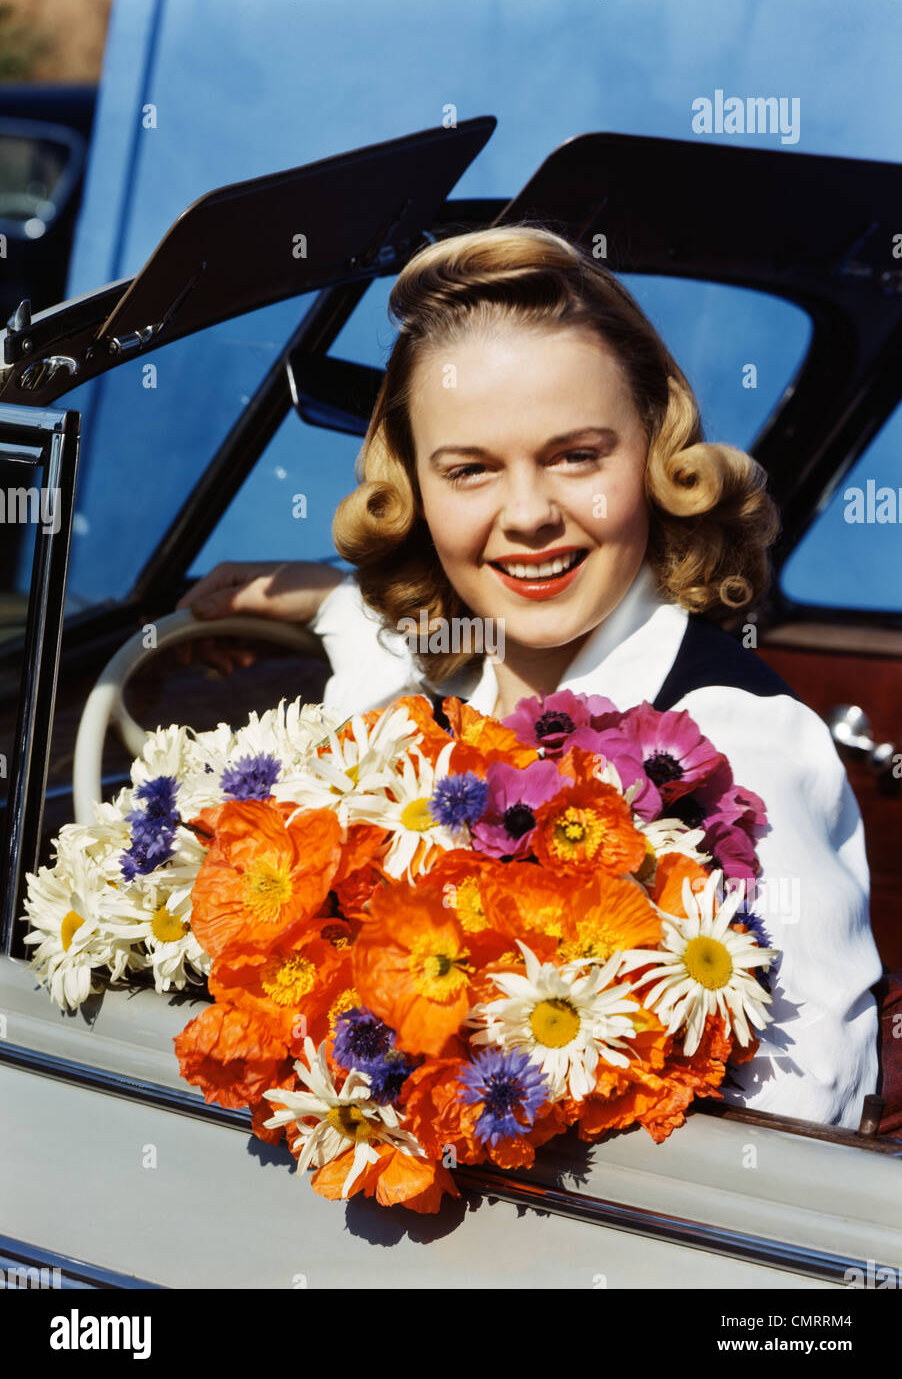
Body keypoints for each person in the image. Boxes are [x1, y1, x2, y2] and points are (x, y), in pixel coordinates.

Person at [178, 225, 883, 1132]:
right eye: (470, 471)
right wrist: (333, 598)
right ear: (417, 498)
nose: (528, 516)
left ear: (657, 460)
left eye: (577, 457)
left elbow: (800, 1120)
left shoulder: (738, 743)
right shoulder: (421, 700)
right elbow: (394, 646)